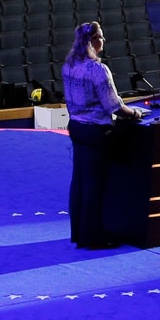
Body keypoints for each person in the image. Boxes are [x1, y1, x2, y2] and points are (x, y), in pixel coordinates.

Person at [62, 21, 143, 250]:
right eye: (102, 37)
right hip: (96, 131)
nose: (104, 42)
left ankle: (79, 233)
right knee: (94, 185)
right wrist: (135, 112)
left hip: (77, 128)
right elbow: (114, 106)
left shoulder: (69, 64)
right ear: (92, 40)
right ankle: (94, 238)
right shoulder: (97, 69)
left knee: (79, 182)